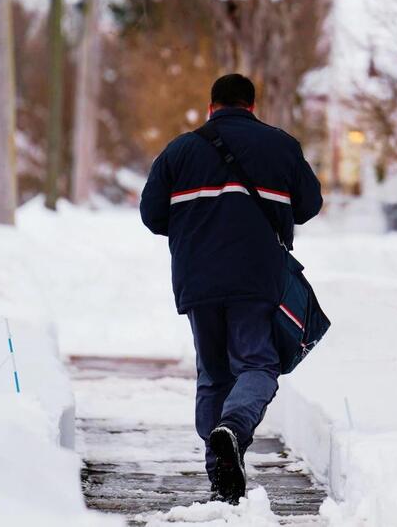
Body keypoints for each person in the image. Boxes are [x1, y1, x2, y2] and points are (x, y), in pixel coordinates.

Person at [139, 74, 323, 504]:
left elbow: (152, 215)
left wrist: (196, 226)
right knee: (257, 364)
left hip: (197, 278)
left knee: (213, 374)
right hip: (257, 278)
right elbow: (310, 206)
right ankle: (235, 430)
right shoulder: (281, 146)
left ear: (211, 107)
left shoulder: (179, 151)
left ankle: (219, 474)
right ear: (252, 106)